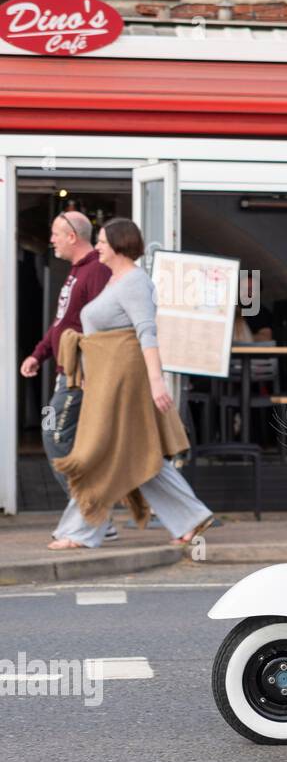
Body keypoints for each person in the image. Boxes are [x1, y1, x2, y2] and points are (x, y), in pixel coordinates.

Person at [49, 218, 214, 550]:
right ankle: (191, 517)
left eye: (102, 242)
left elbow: (146, 333)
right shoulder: (116, 280)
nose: (97, 247)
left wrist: (157, 382)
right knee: (139, 455)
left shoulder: (134, 282)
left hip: (124, 383)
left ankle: (81, 531)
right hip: (108, 380)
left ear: (120, 245)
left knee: (104, 451)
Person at [21, 212, 114, 533]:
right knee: (72, 443)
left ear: (72, 236)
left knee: (55, 436)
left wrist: (91, 367)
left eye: (56, 235)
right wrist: (39, 354)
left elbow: (101, 328)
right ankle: (96, 515)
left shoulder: (96, 272)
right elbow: (63, 323)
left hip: (80, 375)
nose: (51, 241)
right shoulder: (77, 272)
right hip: (68, 372)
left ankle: (93, 515)